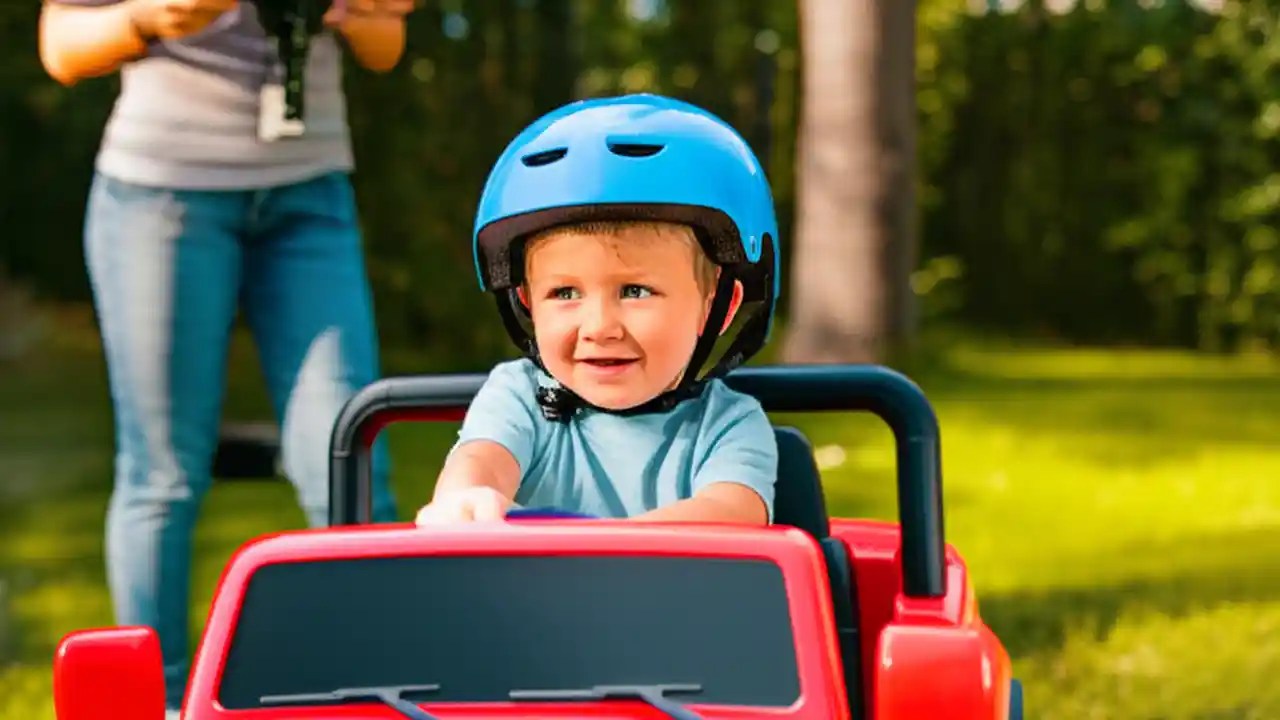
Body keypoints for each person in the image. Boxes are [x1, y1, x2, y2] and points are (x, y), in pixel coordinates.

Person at [37, 0, 408, 713]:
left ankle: (374, 694)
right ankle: (158, 704)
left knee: (351, 462)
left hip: (311, 197)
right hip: (162, 194)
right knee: (163, 475)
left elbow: (387, 43)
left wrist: (347, 14)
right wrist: (151, 16)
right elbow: (61, 46)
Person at [414, 94, 782, 527]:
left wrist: (601, 549)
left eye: (635, 290)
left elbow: (730, 513)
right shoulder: (519, 399)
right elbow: (481, 463)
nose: (600, 327)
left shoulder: (728, 424)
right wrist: (468, 499)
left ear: (718, 308)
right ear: (527, 300)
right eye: (565, 293)